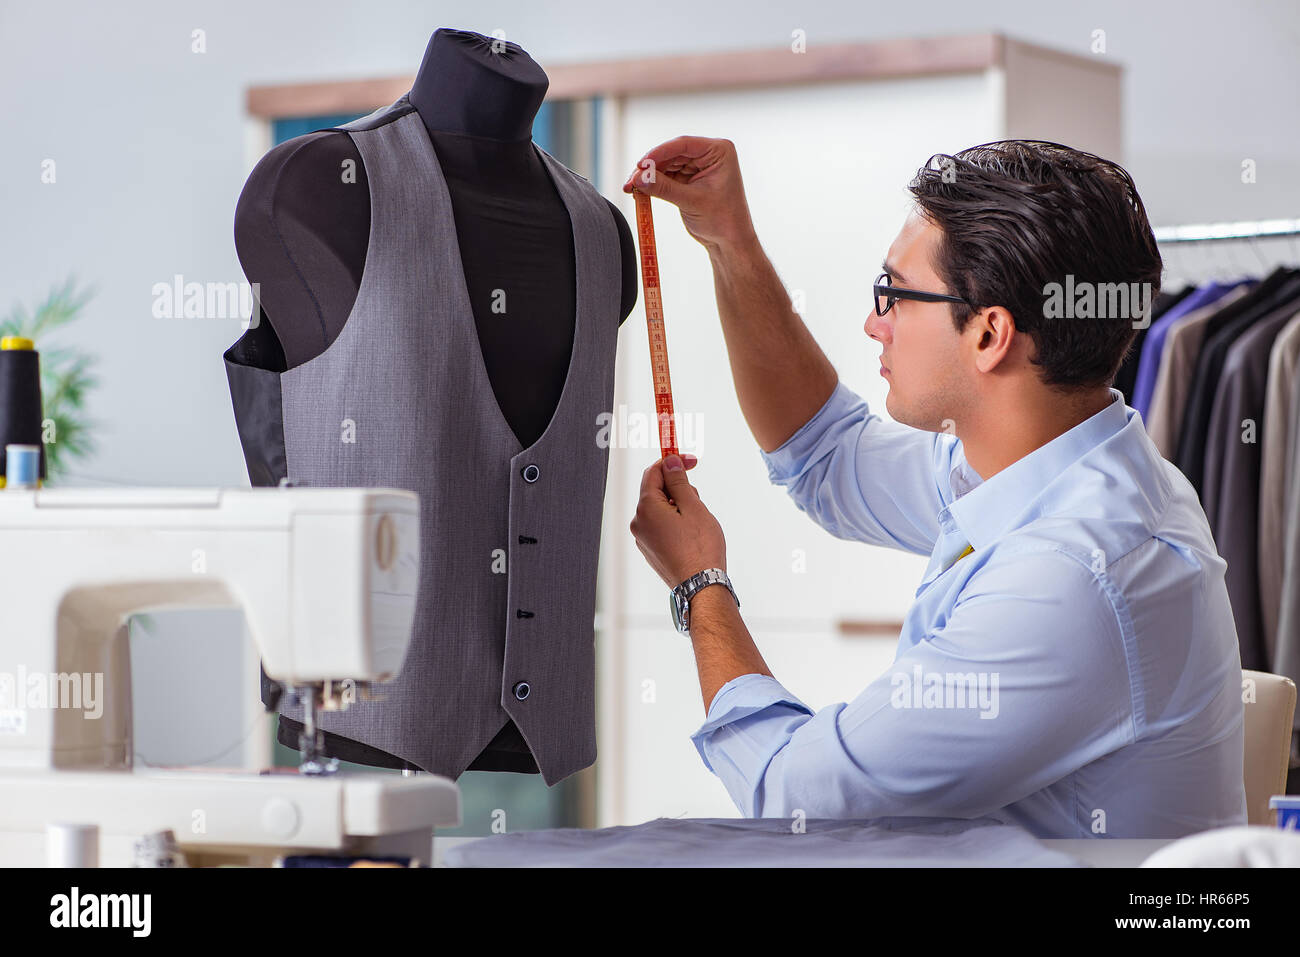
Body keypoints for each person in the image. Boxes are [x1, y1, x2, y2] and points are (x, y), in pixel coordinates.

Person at [624, 137, 1248, 839]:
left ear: (989, 335)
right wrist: (728, 240)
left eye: (893, 294)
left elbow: (794, 794)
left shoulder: (1072, 576)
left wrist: (699, 584)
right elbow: (825, 455)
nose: (873, 322)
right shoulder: (1051, 461)